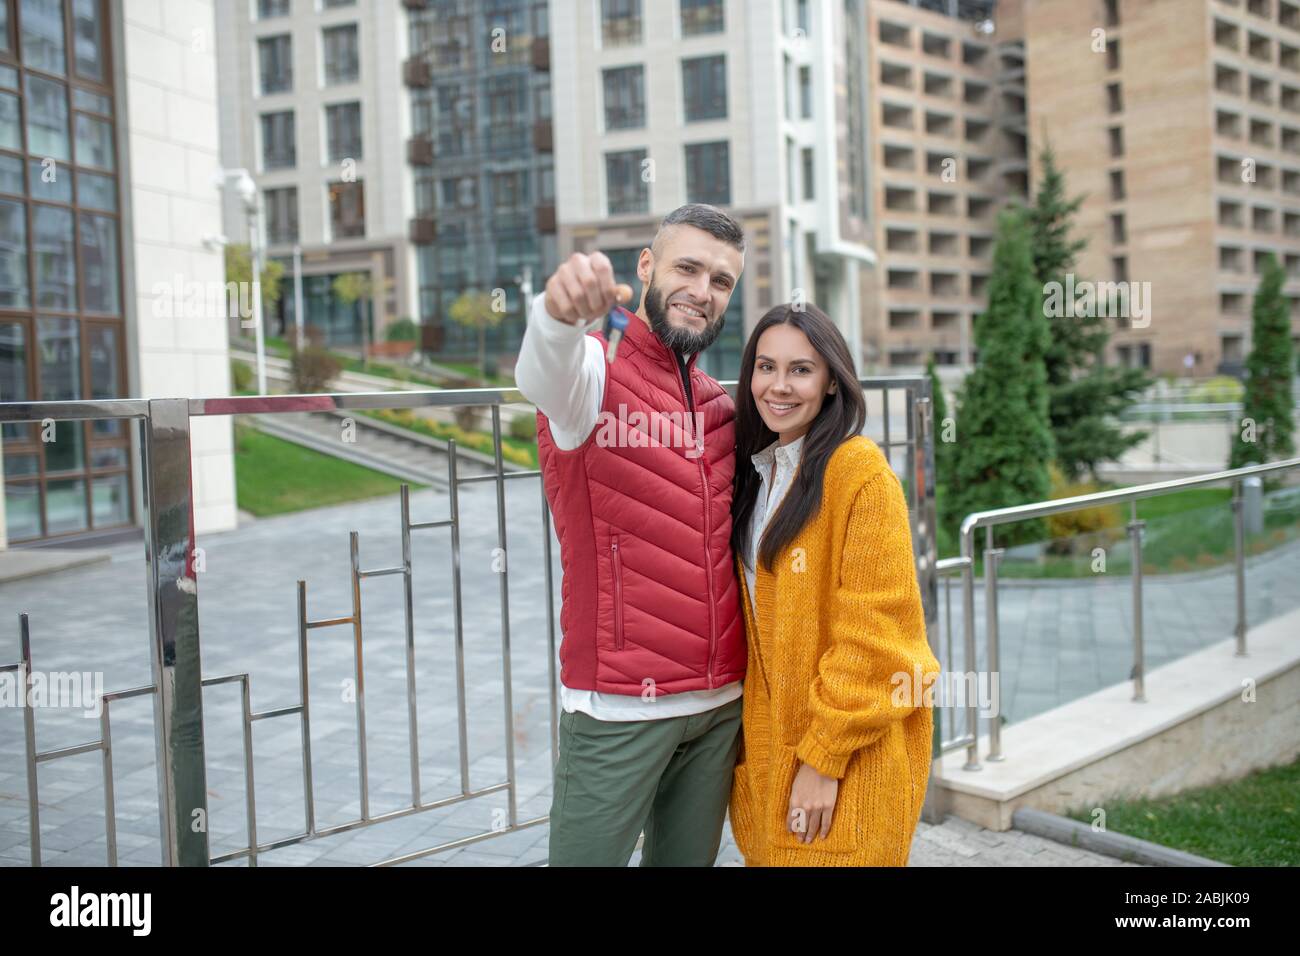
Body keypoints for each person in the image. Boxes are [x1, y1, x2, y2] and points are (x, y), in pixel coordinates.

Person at [514, 204, 749, 866]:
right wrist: (557, 315)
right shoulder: (593, 374)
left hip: (717, 707)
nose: (703, 291)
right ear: (647, 267)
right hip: (619, 707)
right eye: (688, 267)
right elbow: (543, 372)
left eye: (722, 281)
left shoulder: (719, 407)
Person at [726, 301, 941, 866]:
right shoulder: (758, 476)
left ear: (830, 383)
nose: (779, 385)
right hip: (774, 760)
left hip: (845, 763)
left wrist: (822, 760)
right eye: (765, 367)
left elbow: (877, 640)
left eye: (800, 369)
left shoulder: (858, 475)